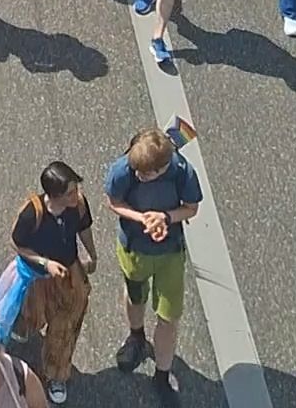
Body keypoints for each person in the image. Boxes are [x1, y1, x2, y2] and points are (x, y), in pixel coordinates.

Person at [104, 127, 202, 397]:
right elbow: (114, 201)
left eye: (145, 174)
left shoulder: (181, 171)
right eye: (135, 170)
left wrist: (166, 218)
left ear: (162, 168)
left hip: (170, 253)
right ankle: (136, 337)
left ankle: (162, 373)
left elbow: (191, 208)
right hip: (134, 249)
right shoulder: (124, 168)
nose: (137, 175)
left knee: (169, 317)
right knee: (136, 297)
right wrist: (145, 218)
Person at [11, 163, 96, 405]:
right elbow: (17, 244)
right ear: (54, 195)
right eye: (70, 192)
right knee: (32, 316)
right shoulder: (32, 212)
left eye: (76, 188)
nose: (76, 195)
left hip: (69, 274)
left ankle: (56, 373)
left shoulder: (78, 205)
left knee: (66, 325)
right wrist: (45, 263)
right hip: (38, 277)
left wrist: (92, 254)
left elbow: (84, 229)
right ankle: (23, 324)